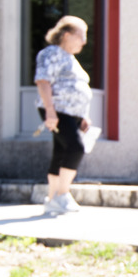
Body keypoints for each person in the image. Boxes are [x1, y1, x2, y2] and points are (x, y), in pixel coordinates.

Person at [35, 15, 92, 215]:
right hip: (58, 111)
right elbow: (43, 81)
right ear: (67, 35)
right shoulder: (52, 53)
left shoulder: (70, 59)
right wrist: (50, 111)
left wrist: (83, 116)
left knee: (61, 153)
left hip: (71, 114)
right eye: (81, 36)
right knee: (76, 148)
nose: (84, 41)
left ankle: (52, 199)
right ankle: (62, 194)